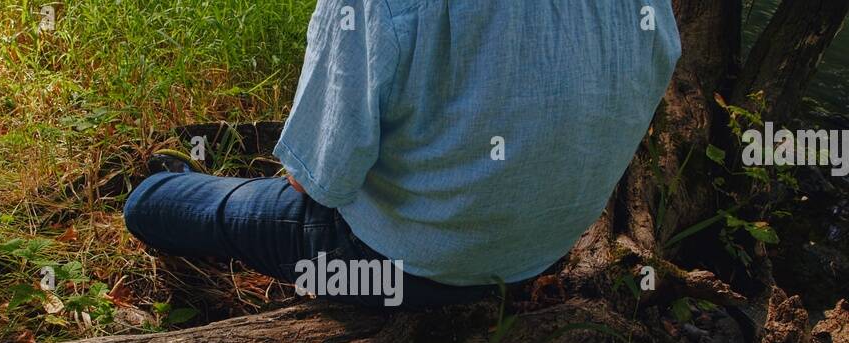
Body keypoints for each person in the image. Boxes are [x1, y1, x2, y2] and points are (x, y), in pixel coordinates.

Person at [124, 0, 682, 309]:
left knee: (177, 206)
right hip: (538, 253)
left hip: (399, 263)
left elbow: (314, 183)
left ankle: (161, 187)